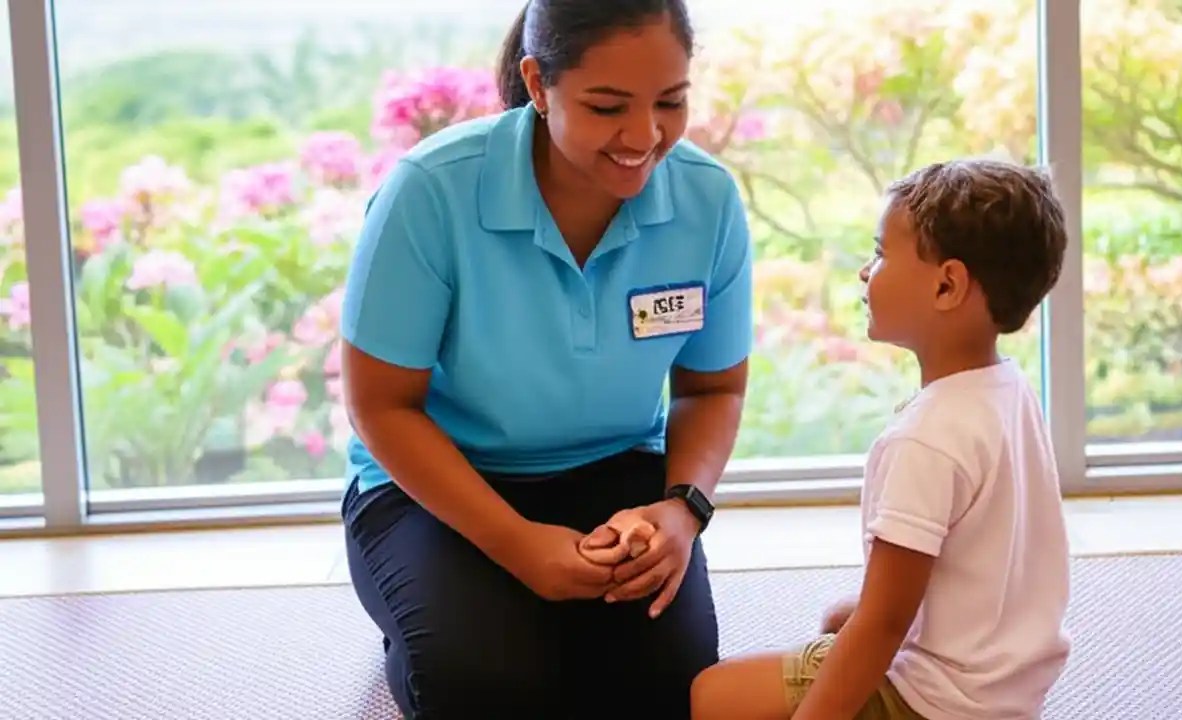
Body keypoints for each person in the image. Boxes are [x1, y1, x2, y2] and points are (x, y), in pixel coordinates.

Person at [338, 0, 753, 717]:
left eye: (671, 102)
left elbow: (711, 390)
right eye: (607, 106)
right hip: (436, 488)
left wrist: (681, 511)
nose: (644, 136)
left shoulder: (706, 199)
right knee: (488, 687)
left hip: (617, 475)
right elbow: (381, 405)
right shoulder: (431, 190)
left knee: (673, 690)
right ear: (538, 84)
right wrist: (520, 546)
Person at [690, 159, 1072, 720]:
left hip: (934, 701)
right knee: (838, 620)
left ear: (948, 285)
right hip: (1004, 689)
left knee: (712, 696)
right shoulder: (1009, 388)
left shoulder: (925, 439)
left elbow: (883, 627)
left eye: (880, 254)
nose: (865, 272)